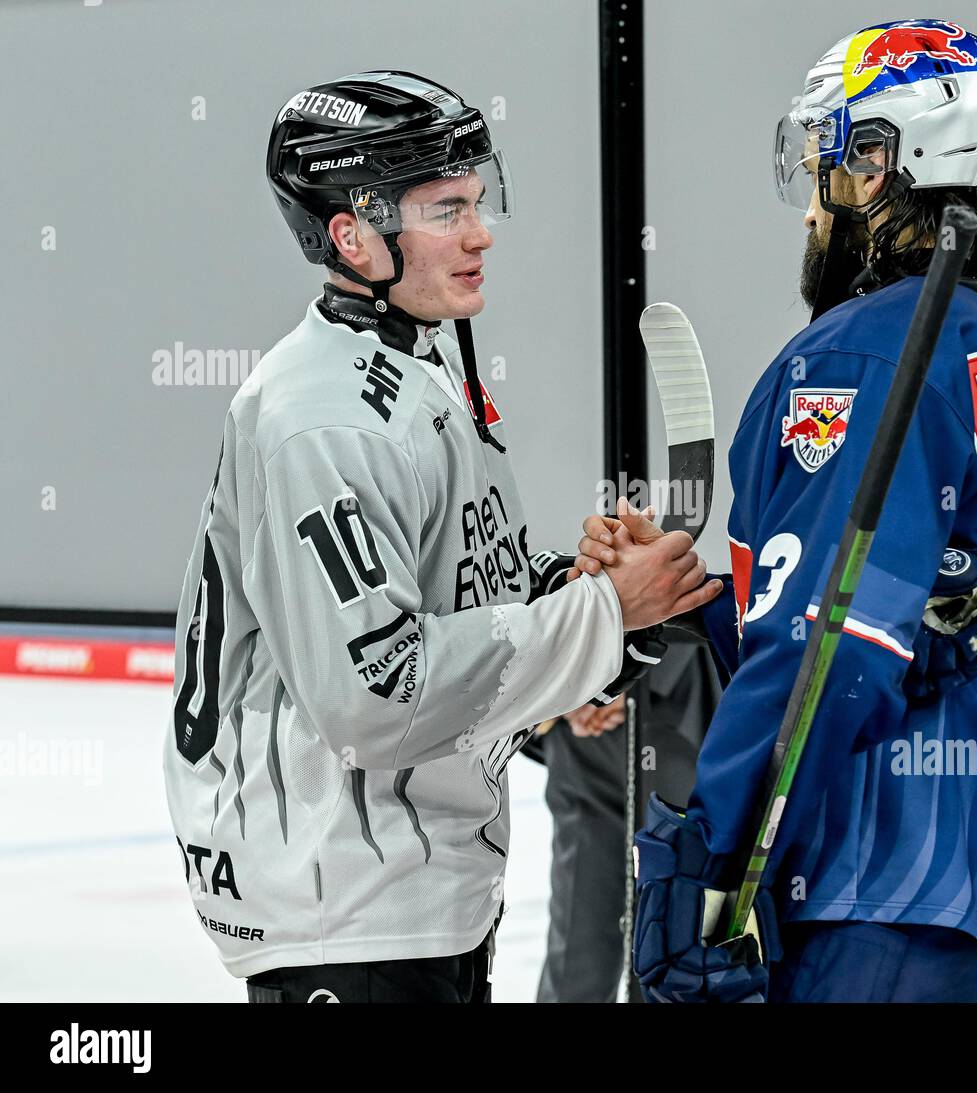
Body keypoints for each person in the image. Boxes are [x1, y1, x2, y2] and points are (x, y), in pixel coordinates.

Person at [162, 70, 718, 1003]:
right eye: (445, 209)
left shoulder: (409, 374)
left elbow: (452, 608)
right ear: (352, 233)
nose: (480, 232)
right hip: (344, 913)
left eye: (478, 199)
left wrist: (571, 600)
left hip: (412, 893)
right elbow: (378, 691)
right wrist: (596, 617)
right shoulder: (323, 418)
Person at [576, 20, 977, 1003]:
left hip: (886, 872)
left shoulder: (858, 358)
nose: (809, 209)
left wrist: (719, 869)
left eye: (824, 160)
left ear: (875, 164)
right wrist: (695, 598)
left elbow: (838, 648)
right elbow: (915, 614)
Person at [534, 637, 721, 1003]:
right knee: (583, 930)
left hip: (672, 703)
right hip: (576, 707)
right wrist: (564, 687)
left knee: (673, 927)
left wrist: (616, 678)